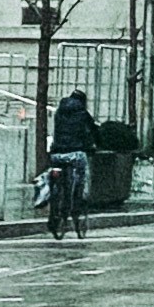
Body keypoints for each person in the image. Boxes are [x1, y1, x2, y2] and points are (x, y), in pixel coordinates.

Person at [47, 85, 96, 228]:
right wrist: (95, 145)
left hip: (56, 152)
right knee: (81, 177)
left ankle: (54, 209)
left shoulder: (59, 112)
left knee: (55, 177)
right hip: (75, 153)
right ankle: (77, 204)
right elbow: (92, 131)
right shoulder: (83, 114)